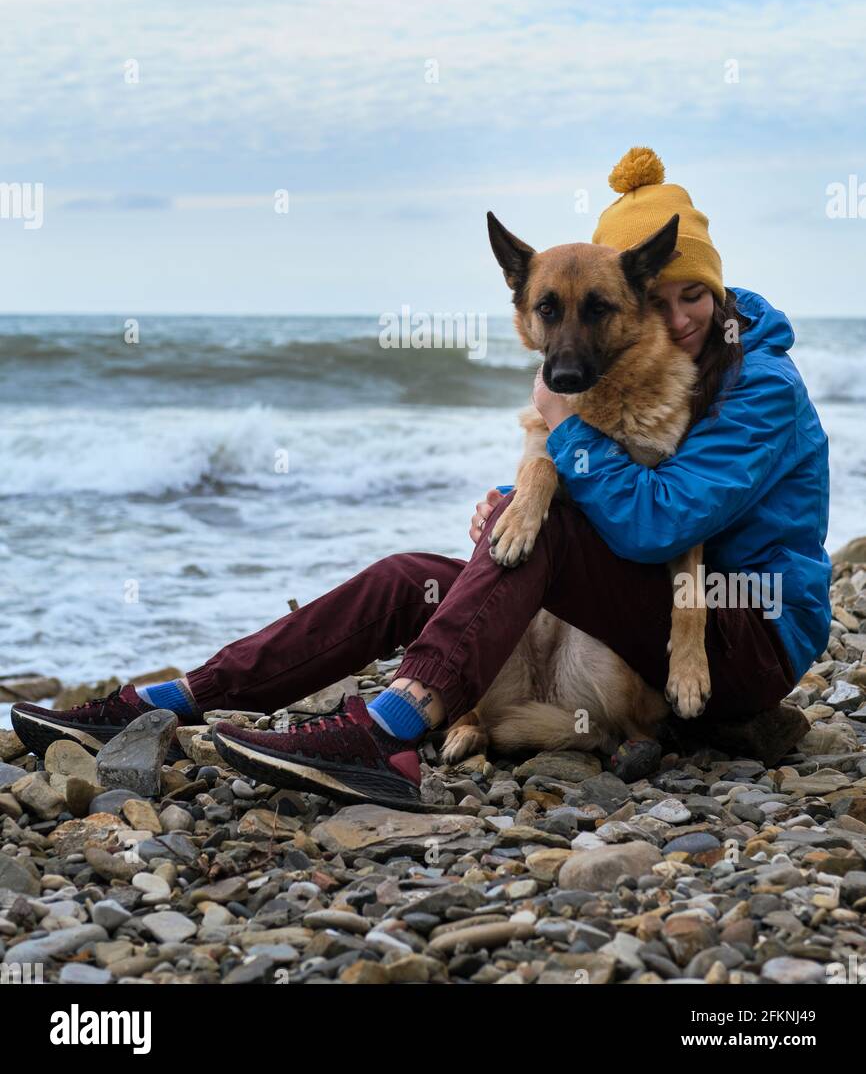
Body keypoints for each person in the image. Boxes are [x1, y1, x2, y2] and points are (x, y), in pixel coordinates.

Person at [12, 147, 832, 809]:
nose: (680, 316)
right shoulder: (644, 363)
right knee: (412, 579)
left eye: (696, 296)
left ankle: (384, 734)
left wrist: (555, 437)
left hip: (742, 638)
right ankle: (169, 700)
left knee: (539, 527)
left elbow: (661, 525)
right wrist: (518, 501)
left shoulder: (763, 386)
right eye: (664, 298)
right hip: (639, 613)